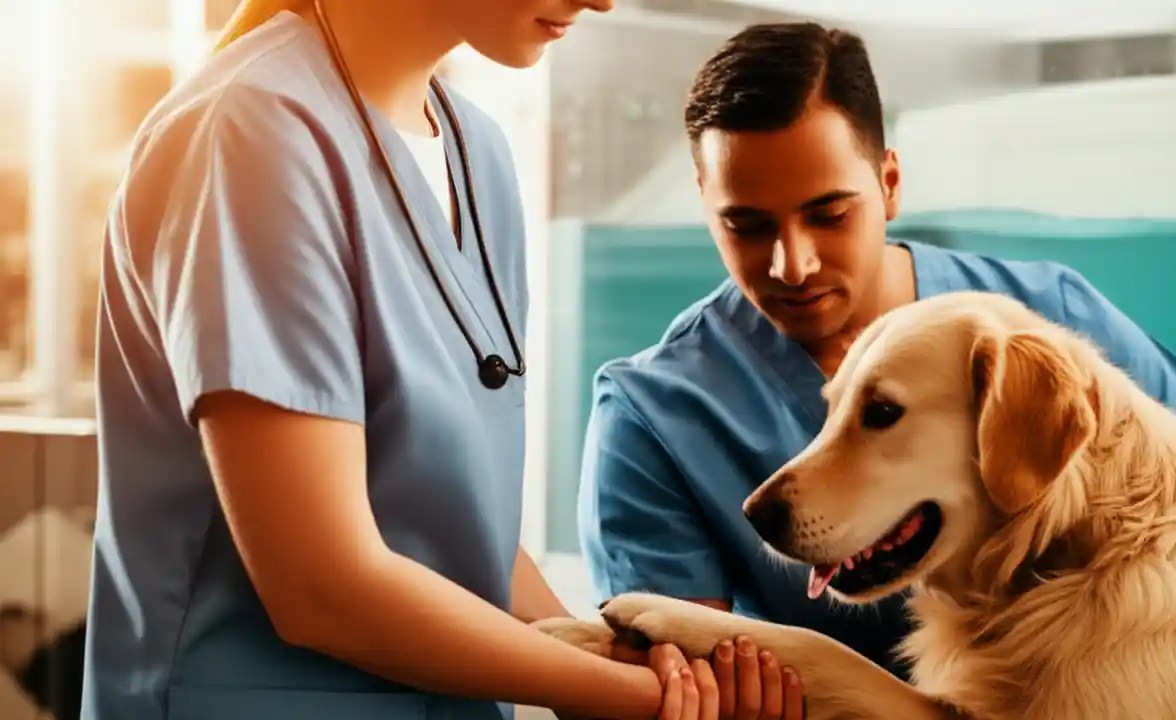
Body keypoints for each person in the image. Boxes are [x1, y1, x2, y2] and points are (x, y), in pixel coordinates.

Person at [81, 1, 805, 719]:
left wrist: (606, 653)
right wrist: (624, 695)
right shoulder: (249, 134)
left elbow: (452, 527)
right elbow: (319, 587)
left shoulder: (476, 149)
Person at [576, 21, 1176, 681]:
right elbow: (673, 674)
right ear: (705, 205)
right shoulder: (651, 416)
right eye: (747, 225)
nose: (793, 264)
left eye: (829, 214)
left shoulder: (1051, 321)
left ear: (891, 183)